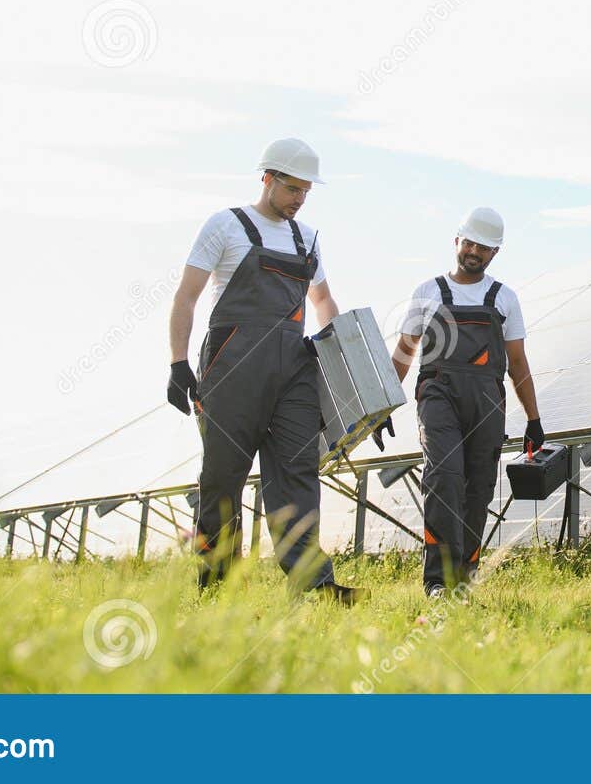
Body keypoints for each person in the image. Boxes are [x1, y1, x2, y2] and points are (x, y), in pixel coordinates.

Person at [166, 138, 360, 603]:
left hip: (293, 370)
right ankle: (216, 588)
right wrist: (177, 363)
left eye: (305, 193)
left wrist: (346, 367)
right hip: (232, 366)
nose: (298, 199)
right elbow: (186, 296)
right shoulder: (226, 226)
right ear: (267, 178)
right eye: (292, 188)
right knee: (222, 477)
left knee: (297, 473)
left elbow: (323, 300)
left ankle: (313, 587)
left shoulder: (307, 238)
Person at [387, 207, 545, 595]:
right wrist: (384, 405)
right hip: (438, 394)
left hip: (487, 400)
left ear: (495, 253)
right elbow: (405, 351)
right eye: (469, 242)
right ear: (457, 241)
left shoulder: (505, 298)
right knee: (444, 477)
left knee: (479, 487)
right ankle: (438, 581)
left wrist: (534, 420)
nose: (474, 251)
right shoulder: (427, 291)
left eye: (484, 247)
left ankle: (465, 578)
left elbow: (518, 361)